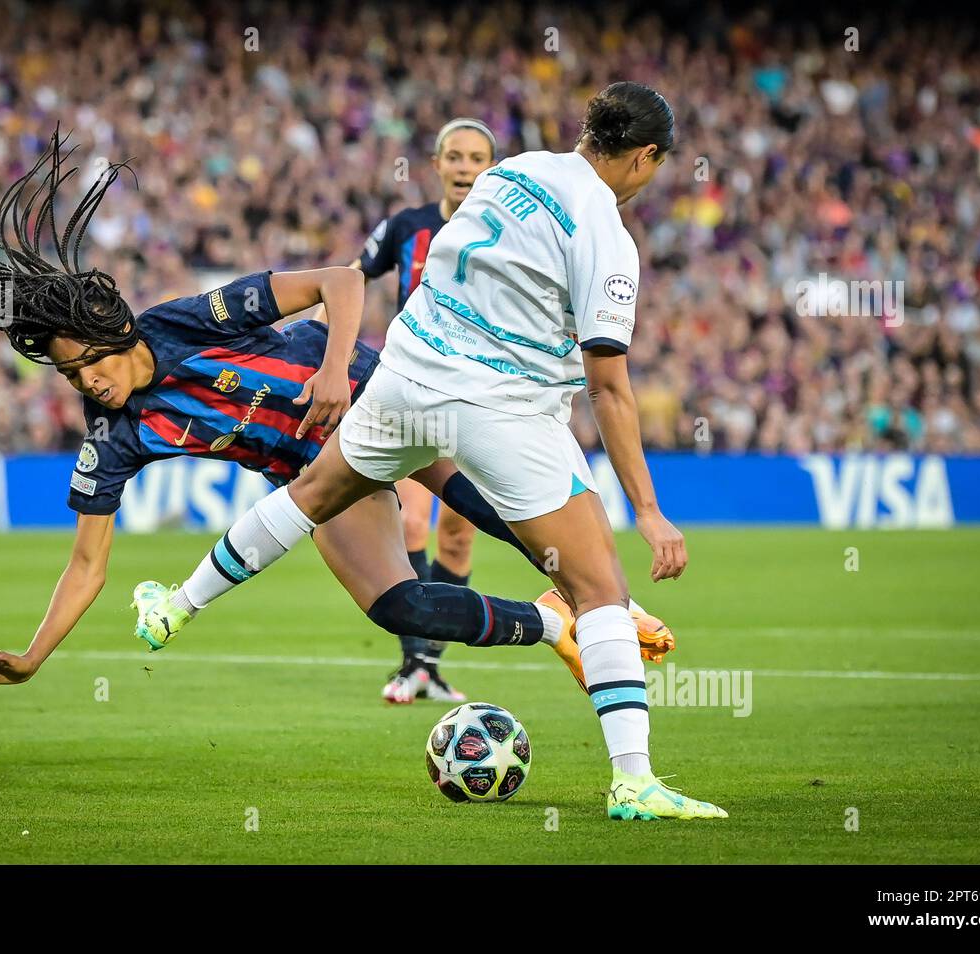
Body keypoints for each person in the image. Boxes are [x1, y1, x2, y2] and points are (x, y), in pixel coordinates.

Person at [0, 130, 675, 701]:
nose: (87, 385)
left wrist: (332, 371)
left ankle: (608, 605)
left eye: (88, 362)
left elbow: (341, 281)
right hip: (309, 475)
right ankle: (554, 622)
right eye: (71, 378)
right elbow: (87, 567)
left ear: (113, 331)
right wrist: (30, 658)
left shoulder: (186, 318)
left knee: (492, 510)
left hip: (377, 394)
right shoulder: (116, 440)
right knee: (399, 605)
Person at [141, 82, 726, 820]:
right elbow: (609, 387)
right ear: (645, 158)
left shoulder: (510, 172)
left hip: (404, 379)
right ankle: (634, 780)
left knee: (311, 494)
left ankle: (177, 603)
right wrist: (649, 511)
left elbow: (440, 259)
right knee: (602, 588)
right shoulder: (605, 234)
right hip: (496, 406)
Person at [350, 118, 497, 704]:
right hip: (411, 390)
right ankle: (411, 663)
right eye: (455, 157)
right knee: (411, 522)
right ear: (436, 165)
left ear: (493, 169)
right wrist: (330, 352)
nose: (464, 167)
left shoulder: (508, 233)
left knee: (460, 536)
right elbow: (349, 281)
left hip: (481, 396)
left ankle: (427, 668)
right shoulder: (406, 228)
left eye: (477, 158)